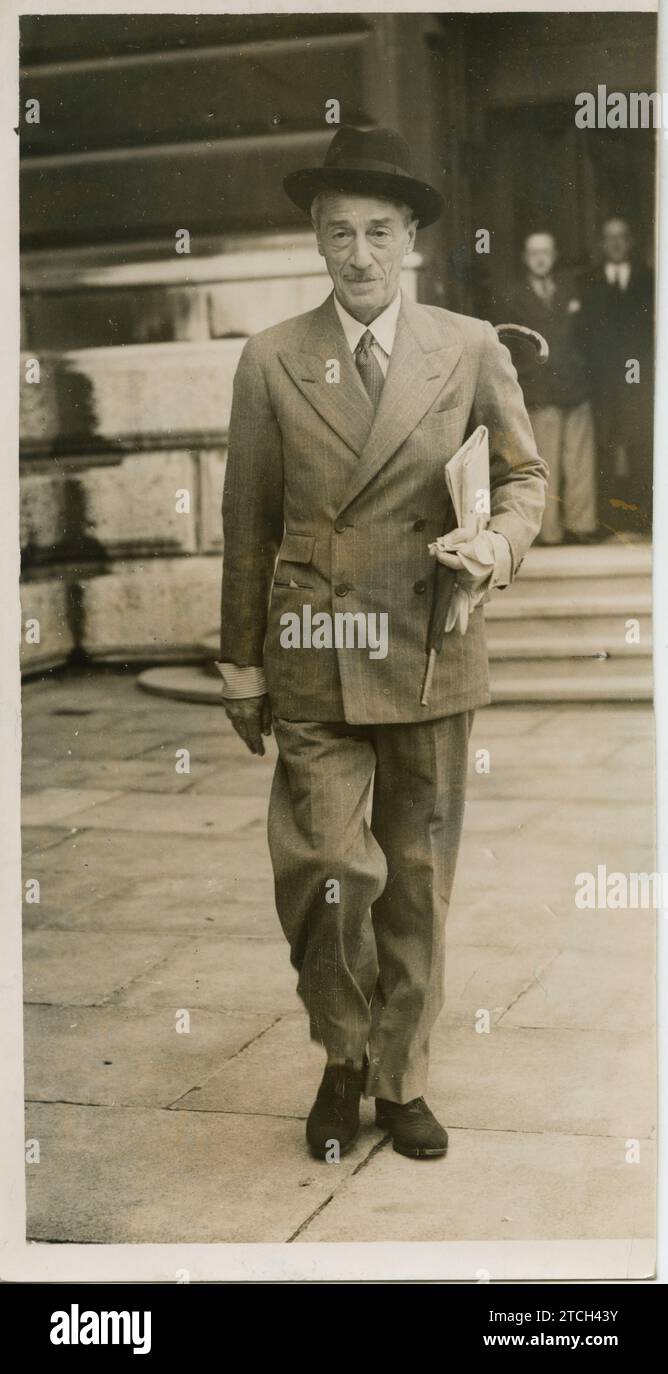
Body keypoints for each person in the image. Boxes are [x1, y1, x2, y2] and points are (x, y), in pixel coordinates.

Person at [217, 126, 547, 1162]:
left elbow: (527, 479)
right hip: (313, 647)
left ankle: (397, 1078)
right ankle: (342, 1048)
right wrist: (239, 660)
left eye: (376, 231)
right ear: (315, 240)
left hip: (428, 646)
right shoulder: (271, 358)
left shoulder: (467, 346)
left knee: (413, 879)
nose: (357, 252)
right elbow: (246, 524)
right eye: (336, 233)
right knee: (321, 870)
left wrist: (494, 540)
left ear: (407, 236)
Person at [495, 231, 597, 545]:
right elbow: (507, 345)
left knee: (579, 460)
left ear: (554, 256)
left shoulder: (571, 288)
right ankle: (548, 532)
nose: (540, 258)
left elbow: (588, 336)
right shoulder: (513, 294)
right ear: (526, 258)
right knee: (545, 461)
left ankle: (582, 527)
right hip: (540, 390)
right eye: (534, 252)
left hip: (576, 385)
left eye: (546, 252)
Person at [578, 217, 654, 535]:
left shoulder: (650, 280)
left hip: (638, 380)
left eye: (622, 236)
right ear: (601, 243)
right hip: (602, 381)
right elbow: (584, 333)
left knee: (639, 445)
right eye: (610, 237)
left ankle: (641, 520)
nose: (616, 243)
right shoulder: (588, 280)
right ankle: (606, 523)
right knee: (603, 447)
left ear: (631, 241)